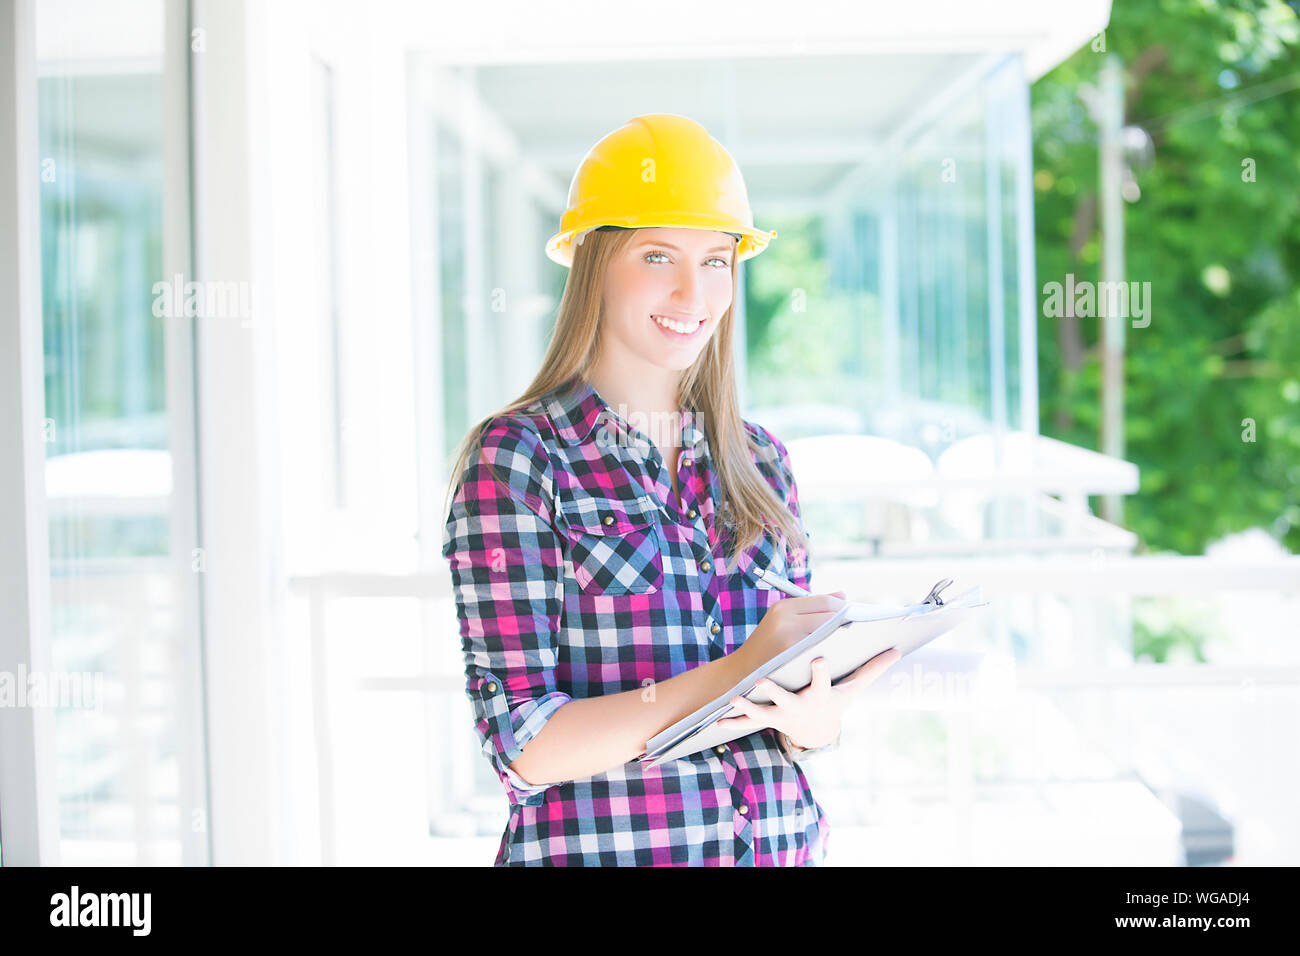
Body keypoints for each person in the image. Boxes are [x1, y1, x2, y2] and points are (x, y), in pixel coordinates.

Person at [440, 113, 899, 865]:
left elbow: (791, 732)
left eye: (717, 260)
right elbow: (525, 748)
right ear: (593, 265)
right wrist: (739, 668)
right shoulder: (520, 459)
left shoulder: (762, 463)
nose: (695, 290)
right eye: (658, 256)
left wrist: (816, 717)